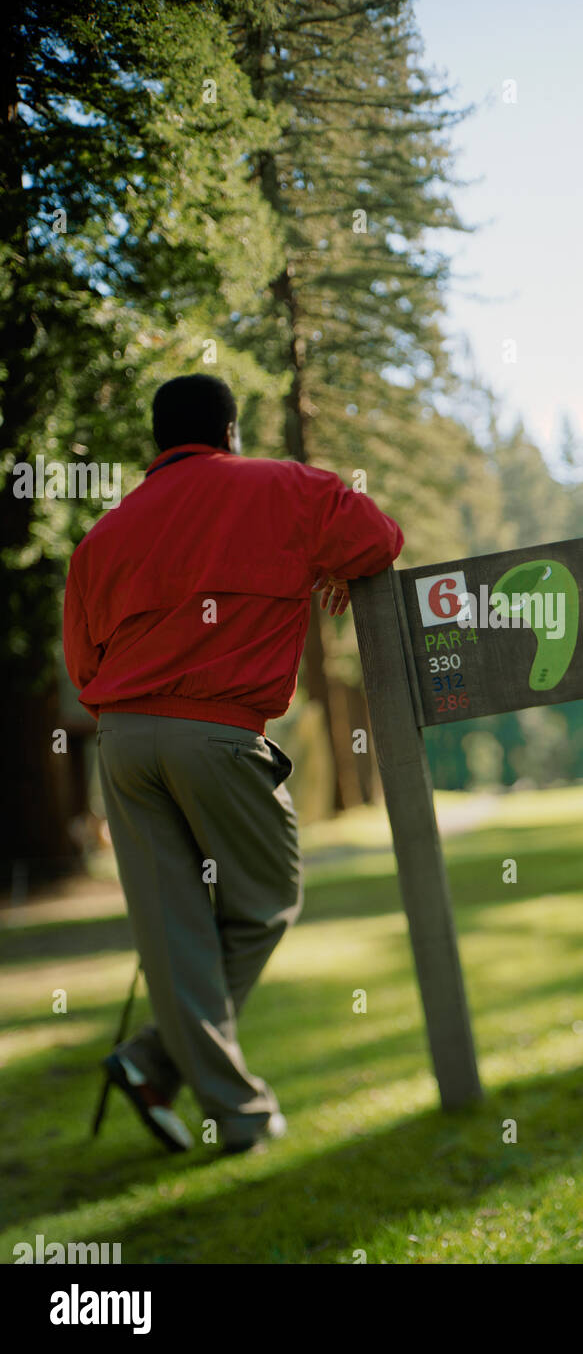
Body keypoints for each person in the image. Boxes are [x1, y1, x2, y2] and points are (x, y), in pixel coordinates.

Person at [63, 374, 402, 1154]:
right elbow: (378, 542)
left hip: (122, 741)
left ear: (158, 439)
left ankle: (159, 1066)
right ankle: (203, 1092)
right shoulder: (285, 488)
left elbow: (85, 668)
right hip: (215, 733)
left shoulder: (101, 537)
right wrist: (327, 563)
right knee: (265, 899)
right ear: (230, 432)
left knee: (173, 930)